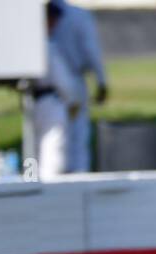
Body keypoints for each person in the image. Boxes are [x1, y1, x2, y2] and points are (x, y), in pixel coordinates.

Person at [50, 0, 107, 173]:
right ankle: (75, 180)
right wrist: (101, 81)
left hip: (48, 86)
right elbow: (91, 50)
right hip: (68, 82)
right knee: (75, 140)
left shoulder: (51, 13)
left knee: (54, 140)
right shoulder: (79, 15)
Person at [34, 2, 84, 180]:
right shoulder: (47, 46)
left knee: (38, 148)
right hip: (50, 100)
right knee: (53, 149)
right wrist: (73, 101)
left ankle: (38, 180)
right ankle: (51, 184)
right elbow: (63, 81)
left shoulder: (36, 44)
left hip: (36, 100)